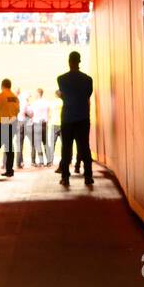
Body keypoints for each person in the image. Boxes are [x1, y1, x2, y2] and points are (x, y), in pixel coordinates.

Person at [55, 51, 94, 187]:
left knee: (66, 148)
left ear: (69, 62)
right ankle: (88, 176)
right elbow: (86, 95)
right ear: (79, 61)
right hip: (83, 117)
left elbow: (65, 96)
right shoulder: (88, 80)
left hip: (67, 118)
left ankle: (65, 177)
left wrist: (61, 96)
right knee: (85, 147)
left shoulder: (61, 79)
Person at [30, 88, 51, 167]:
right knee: (45, 142)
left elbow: (31, 113)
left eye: (36, 93)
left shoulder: (35, 103)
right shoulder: (46, 102)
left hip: (37, 124)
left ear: (38, 94)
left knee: (38, 144)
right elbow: (49, 112)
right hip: (44, 124)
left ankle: (41, 161)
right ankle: (49, 161)